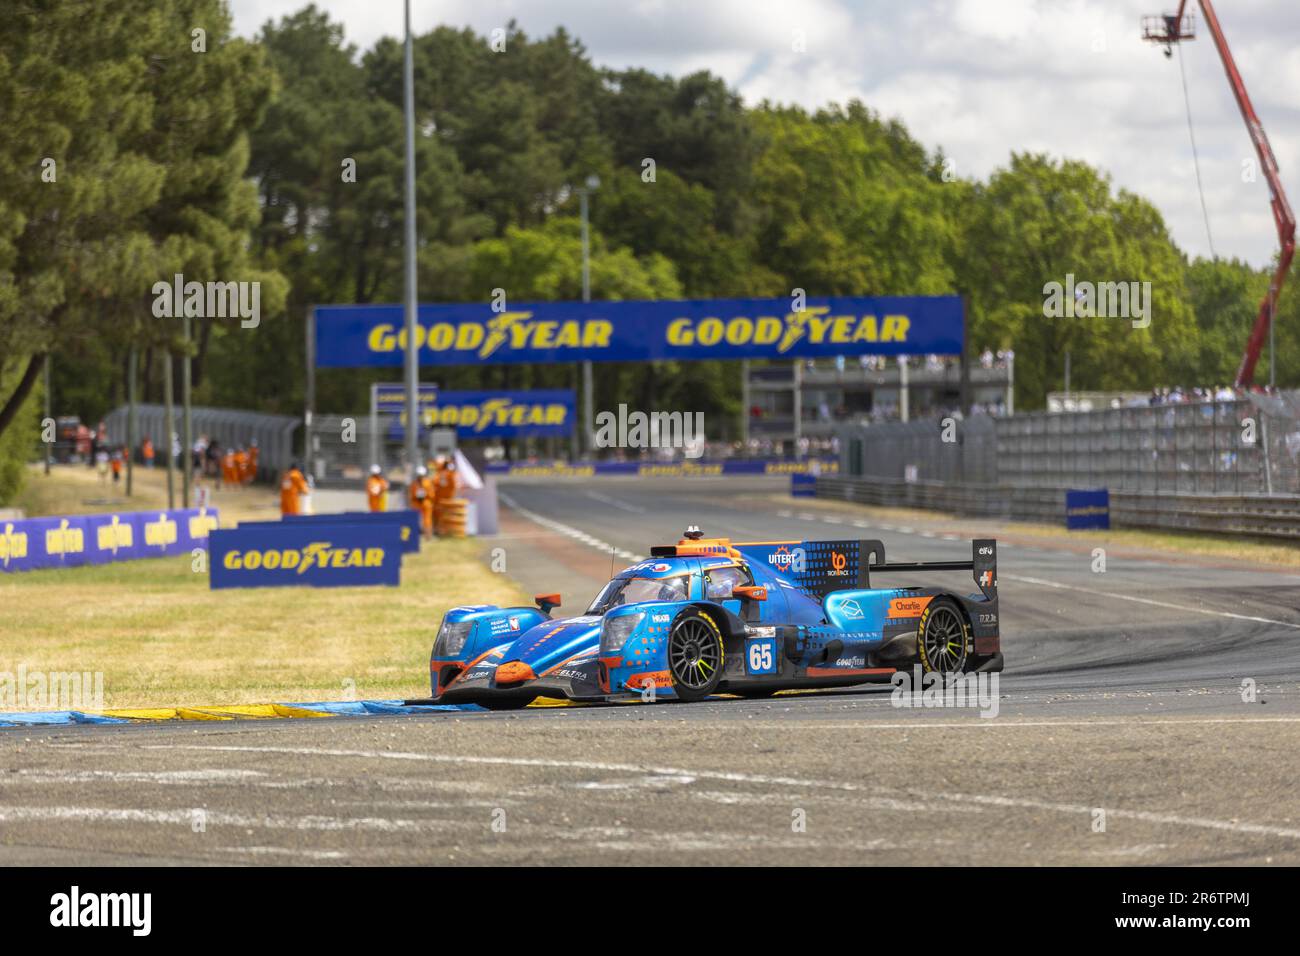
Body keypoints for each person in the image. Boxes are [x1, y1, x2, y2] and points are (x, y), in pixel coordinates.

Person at [433, 459, 460, 533]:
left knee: (441, 516)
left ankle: (441, 530)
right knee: (445, 516)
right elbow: (454, 485)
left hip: (440, 500)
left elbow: (434, 484)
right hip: (447, 500)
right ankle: (443, 530)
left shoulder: (440, 474)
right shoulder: (450, 474)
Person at [408, 465, 435, 537]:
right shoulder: (427, 483)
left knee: (421, 519)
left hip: (420, 503)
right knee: (425, 519)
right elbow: (432, 494)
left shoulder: (415, 483)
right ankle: (426, 535)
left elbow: (412, 495)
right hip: (423, 503)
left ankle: (421, 534)